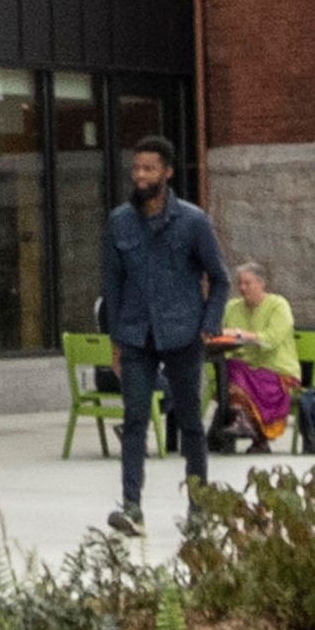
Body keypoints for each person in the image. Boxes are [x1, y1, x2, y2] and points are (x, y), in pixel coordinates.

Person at [91, 140, 225, 533]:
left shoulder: (193, 221)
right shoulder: (120, 222)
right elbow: (113, 284)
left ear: (167, 172)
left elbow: (219, 278)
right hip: (136, 334)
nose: (140, 175)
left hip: (183, 333)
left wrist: (210, 322)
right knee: (134, 420)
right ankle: (132, 507)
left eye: (149, 168)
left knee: (191, 423)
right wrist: (115, 340)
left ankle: (198, 508)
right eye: (136, 168)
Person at [215, 260, 304, 451]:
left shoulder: (278, 305)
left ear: (261, 283)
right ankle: (244, 425)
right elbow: (218, 332)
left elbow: (271, 340)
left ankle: (245, 426)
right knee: (226, 368)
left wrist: (239, 334)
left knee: (234, 373)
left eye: (248, 283)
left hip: (277, 371)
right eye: (240, 283)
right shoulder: (232, 307)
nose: (242, 288)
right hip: (244, 368)